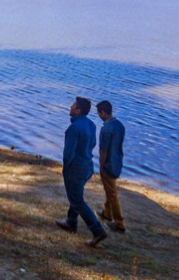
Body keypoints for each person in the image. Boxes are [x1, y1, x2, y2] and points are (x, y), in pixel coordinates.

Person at [56, 96, 108, 247]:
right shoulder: (91, 125)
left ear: (78, 110)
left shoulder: (74, 128)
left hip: (76, 169)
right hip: (88, 166)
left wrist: (66, 168)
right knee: (76, 196)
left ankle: (97, 231)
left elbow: (68, 155)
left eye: (73, 105)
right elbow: (92, 144)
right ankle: (71, 222)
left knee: (77, 200)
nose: (70, 107)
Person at [95, 100, 126, 233]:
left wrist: (101, 167)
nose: (98, 115)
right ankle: (107, 213)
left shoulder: (106, 129)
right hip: (118, 161)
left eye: (99, 113)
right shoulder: (120, 125)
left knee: (112, 193)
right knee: (110, 189)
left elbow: (103, 150)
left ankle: (119, 223)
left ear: (103, 113)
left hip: (108, 164)